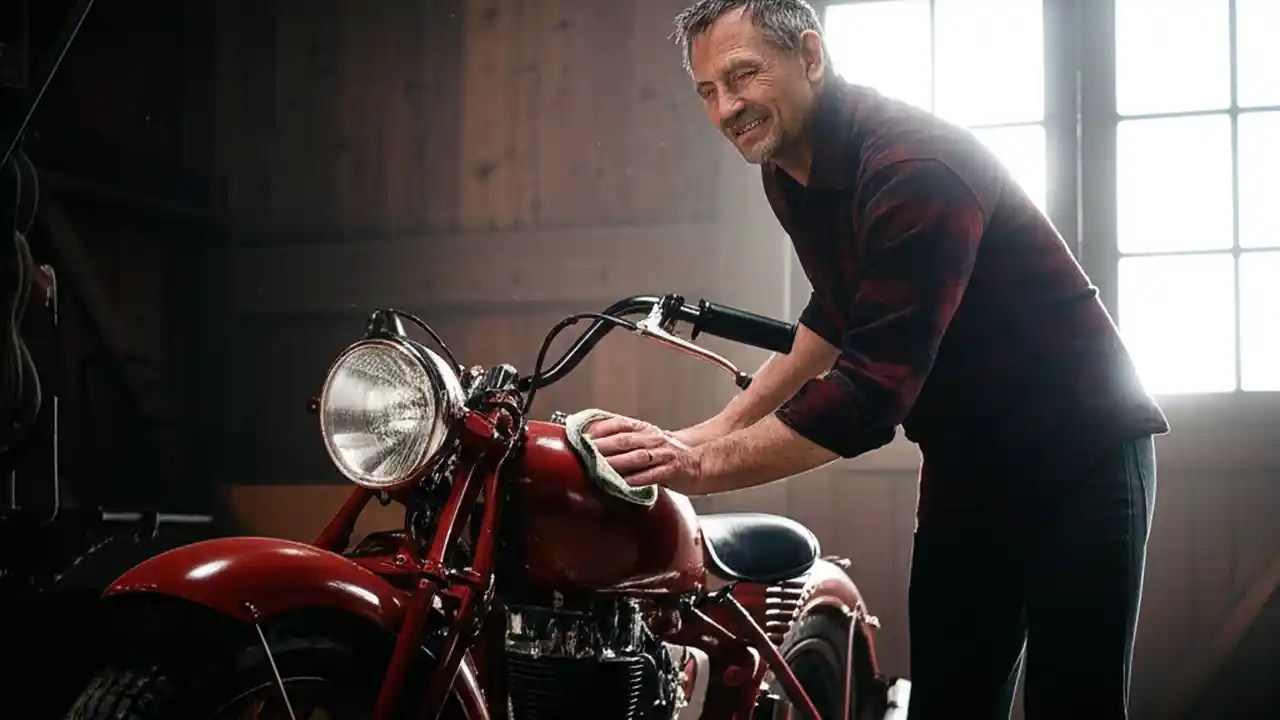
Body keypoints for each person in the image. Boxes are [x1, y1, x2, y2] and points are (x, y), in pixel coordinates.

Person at [583, 1, 1169, 718]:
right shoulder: (787, 168)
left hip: (1083, 455)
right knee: (950, 704)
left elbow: (869, 396)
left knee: (1075, 705)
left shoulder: (914, 168)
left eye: (743, 75)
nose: (728, 107)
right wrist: (701, 432)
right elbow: (836, 311)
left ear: (810, 56)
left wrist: (699, 468)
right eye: (708, 90)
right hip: (968, 466)